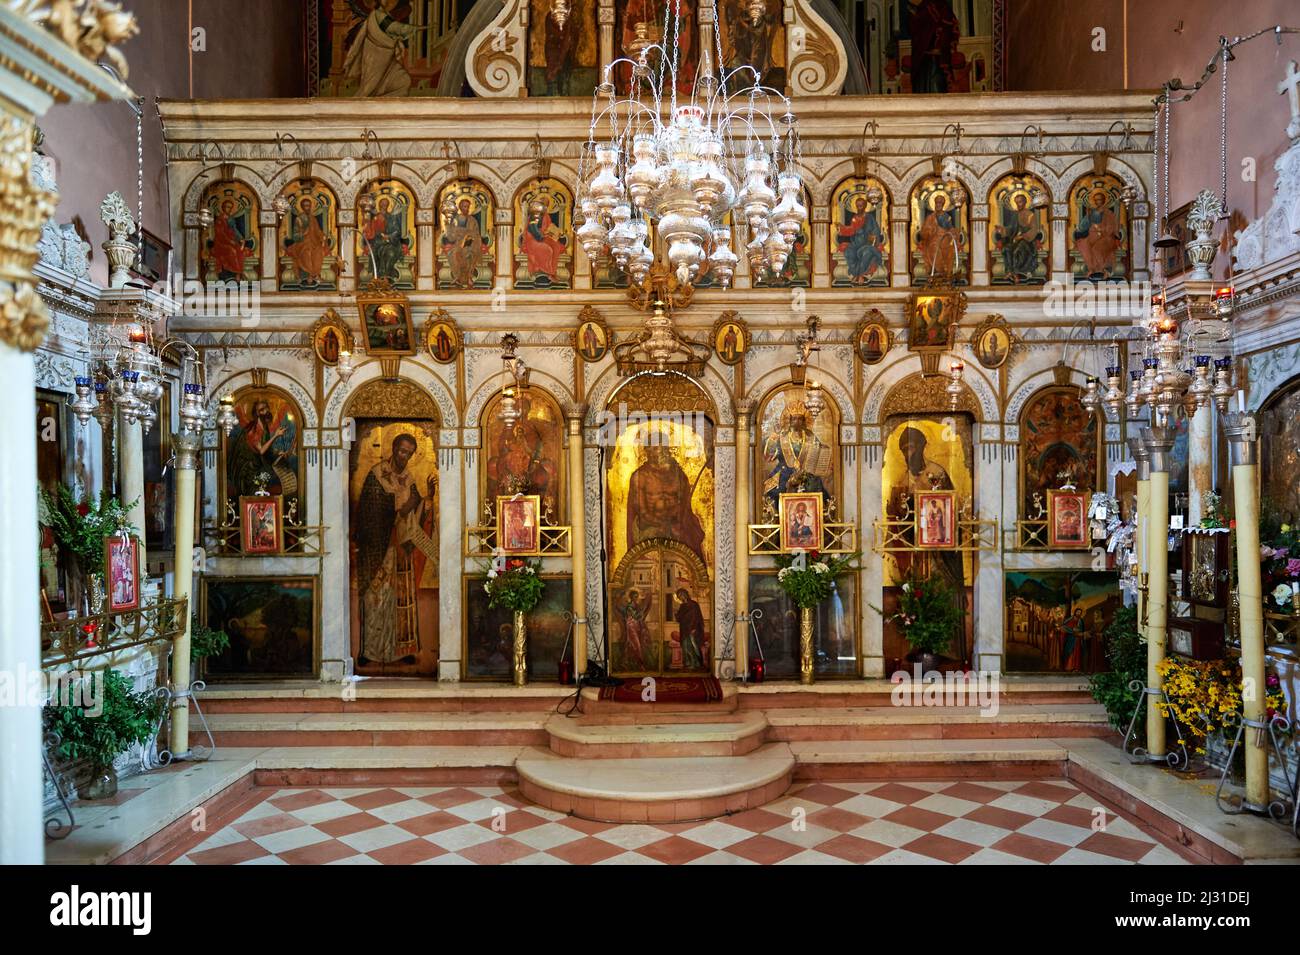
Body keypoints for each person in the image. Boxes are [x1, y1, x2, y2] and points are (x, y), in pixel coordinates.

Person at [354, 433, 436, 666]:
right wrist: (399, 511)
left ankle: (402, 651)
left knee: (401, 598)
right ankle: (370, 651)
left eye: (409, 453)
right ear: (393, 448)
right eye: (402, 451)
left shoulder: (409, 478)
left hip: (401, 548)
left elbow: (418, 509)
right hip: (378, 549)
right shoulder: (377, 475)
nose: (405, 456)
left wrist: (427, 498)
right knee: (376, 597)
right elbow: (368, 512)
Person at [626, 444, 707, 562]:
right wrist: (663, 525)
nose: (658, 451)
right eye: (653, 448)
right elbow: (643, 513)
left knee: (689, 540)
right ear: (647, 450)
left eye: (661, 447)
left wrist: (675, 520)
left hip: (676, 523)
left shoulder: (678, 473)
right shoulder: (640, 476)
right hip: (649, 527)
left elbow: (684, 505)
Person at [342, 0, 428, 97]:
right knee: (369, 89)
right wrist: (418, 28)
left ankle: (382, 103)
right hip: (377, 58)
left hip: (388, 60)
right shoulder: (378, 15)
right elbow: (396, 28)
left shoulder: (382, 14)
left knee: (403, 81)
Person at [762, 406, 832, 513]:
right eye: (794, 419)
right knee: (774, 491)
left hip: (807, 472)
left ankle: (818, 518)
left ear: (804, 421)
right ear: (789, 420)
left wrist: (824, 452)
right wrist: (771, 440)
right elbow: (769, 456)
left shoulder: (810, 436)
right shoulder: (781, 437)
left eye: (800, 419)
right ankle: (777, 518)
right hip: (784, 471)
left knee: (818, 490)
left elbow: (818, 450)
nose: (797, 422)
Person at [226, 398, 297, 503]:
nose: (266, 411)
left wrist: (278, 452)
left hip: (259, 464)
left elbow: (267, 448)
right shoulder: (253, 430)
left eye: (266, 408)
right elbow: (261, 451)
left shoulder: (264, 427)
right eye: (261, 410)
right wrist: (276, 435)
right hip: (249, 470)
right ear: (257, 414)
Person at [995, 192, 1044, 283]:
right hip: (1015, 240)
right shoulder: (1015, 215)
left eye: (1020, 202)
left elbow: (1033, 230)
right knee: (1006, 249)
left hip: (1027, 242)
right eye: (1016, 202)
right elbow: (1011, 229)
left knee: (1018, 249)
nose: (1018, 204)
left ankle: (1015, 273)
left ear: (1025, 202)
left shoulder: (1030, 215)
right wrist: (1002, 230)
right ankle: (1010, 271)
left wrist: (1022, 237)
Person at [1073, 188, 1122, 279]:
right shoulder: (1091, 212)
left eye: (1099, 199)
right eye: (1095, 200)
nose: (1097, 201)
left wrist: (1100, 229)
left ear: (1103, 200)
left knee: (1096, 248)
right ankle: (1092, 269)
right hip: (1093, 236)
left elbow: (1112, 228)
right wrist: (1087, 217)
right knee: (1083, 244)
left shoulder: (1109, 213)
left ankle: (1103, 270)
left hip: (1107, 238)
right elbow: (1083, 226)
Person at [837, 196, 885, 283]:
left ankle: (860, 275)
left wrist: (871, 237)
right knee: (849, 251)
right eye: (857, 206)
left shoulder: (869, 217)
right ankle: (855, 273)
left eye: (861, 206)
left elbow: (875, 231)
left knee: (866, 252)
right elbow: (851, 230)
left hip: (867, 243)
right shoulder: (855, 218)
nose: (859, 208)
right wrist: (842, 229)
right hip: (856, 243)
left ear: (865, 206)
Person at [362, 194, 409, 282]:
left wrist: (389, 236)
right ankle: (378, 276)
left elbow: (397, 231)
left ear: (388, 205)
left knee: (390, 253)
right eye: (382, 204)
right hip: (378, 242)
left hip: (392, 243)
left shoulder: (392, 217)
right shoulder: (375, 217)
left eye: (385, 204)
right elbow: (371, 231)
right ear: (379, 205)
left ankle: (386, 276)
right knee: (379, 252)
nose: (384, 206)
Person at [285, 196, 330, 288]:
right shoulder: (299, 219)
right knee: (307, 252)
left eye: (309, 206)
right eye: (305, 206)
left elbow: (318, 231)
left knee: (318, 251)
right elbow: (295, 235)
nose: (307, 208)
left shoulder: (313, 218)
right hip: (302, 242)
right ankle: (311, 275)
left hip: (314, 242)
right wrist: (303, 233)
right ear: (302, 207)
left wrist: (323, 236)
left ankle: (315, 275)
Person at [443, 197, 487, 288]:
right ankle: (458, 277)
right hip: (458, 243)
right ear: (460, 207)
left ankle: (468, 277)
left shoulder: (472, 220)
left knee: (469, 254)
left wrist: (466, 235)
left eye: (467, 207)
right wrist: (448, 226)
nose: (466, 209)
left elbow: (476, 233)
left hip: (471, 243)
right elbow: (451, 237)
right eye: (464, 206)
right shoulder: (455, 219)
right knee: (454, 253)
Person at [917, 191, 961, 279]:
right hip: (932, 241)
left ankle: (945, 272)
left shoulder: (947, 216)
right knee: (934, 248)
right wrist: (931, 230)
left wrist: (953, 232)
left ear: (943, 204)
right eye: (937, 202)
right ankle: (936, 272)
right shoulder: (930, 217)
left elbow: (950, 228)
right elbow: (924, 231)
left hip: (945, 239)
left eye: (940, 203)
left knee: (947, 249)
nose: (938, 205)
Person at [208, 198, 252, 281]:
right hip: (221, 242)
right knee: (232, 251)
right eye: (227, 207)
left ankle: (238, 273)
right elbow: (220, 233)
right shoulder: (220, 219)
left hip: (230, 240)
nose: (228, 209)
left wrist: (241, 239)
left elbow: (234, 230)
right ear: (223, 207)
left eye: (230, 207)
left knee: (239, 250)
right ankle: (237, 273)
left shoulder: (230, 218)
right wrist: (230, 241)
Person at [521, 204, 565, 284]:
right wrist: (543, 236)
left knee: (556, 246)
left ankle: (553, 273)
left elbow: (549, 227)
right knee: (547, 249)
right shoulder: (533, 217)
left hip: (543, 237)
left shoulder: (545, 216)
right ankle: (549, 272)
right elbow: (534, 230)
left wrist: (556, 232)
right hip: (532, 240)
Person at [674, 587, 706, 670]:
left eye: (681, 594)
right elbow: (679, 619)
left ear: (685, 594)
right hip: (684, 630)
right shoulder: (682, 606)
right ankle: (688, 663)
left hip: (693, 629)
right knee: (685, 646)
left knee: (694, 646)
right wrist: (676, 613)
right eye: (679, 596)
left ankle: (697, 663)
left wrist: (694, 628)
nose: (681, 597)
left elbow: (697, 617)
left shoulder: (694, 604)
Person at [619, 588, 651, 670]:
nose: (636, 598)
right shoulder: (629, 606)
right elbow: (636, 616)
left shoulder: (637, 606)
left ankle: (624, 662)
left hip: (637, 626)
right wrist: (642, 611)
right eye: (634, 596)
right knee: (636, 645)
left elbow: (640, 616)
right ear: (631, 597)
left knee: (631, 645)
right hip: (631, 626)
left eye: (637, 596)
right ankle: (641, 664)